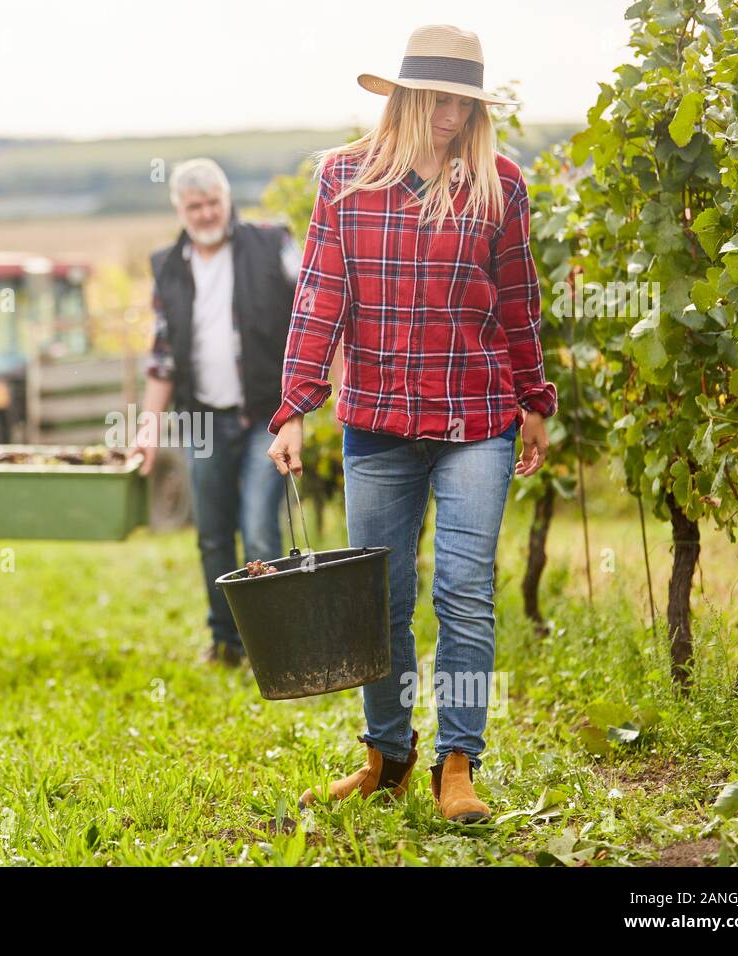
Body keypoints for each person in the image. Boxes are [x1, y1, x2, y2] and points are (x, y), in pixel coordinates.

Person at [265, 25, 558, 823]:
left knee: (465, 592)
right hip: (379, 423)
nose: (451, 116)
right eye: (438, 99)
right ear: (403, 96)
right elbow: (320, 297)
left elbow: (518, 302)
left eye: (465, 102)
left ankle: (457, 763)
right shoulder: (344, 178)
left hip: (478, 418)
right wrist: (294, 406)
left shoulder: (500, 183)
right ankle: (387, 758)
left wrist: (534, 400)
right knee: (380, 599)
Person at [134, 158, 303, 666]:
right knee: (211, 534)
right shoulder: (166, 265)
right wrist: (149, 424)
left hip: (266, 416)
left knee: (258, 529)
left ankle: (273, 646)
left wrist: (316, 395)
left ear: (227, 200)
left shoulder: (272, 243)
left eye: (213, 202)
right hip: (203, 419)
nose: (206, 213)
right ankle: (226, 641)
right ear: (180, 209)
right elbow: (162, 356)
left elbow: (313, 305)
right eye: (194, 206)